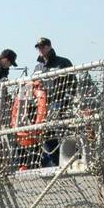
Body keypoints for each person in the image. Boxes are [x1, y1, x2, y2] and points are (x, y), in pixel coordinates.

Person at [33, 38, 74, 166]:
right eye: (38, 47)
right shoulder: (38, 67)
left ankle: (63, 163)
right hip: (42, 108)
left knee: (60, 134)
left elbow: (72, 83)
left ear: (49, 46)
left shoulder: (62, 63)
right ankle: (50, 164)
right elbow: (34, 87)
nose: (40, 49)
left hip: (59, 105)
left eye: (43, 46)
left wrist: (65, 103)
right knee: (45, 136)